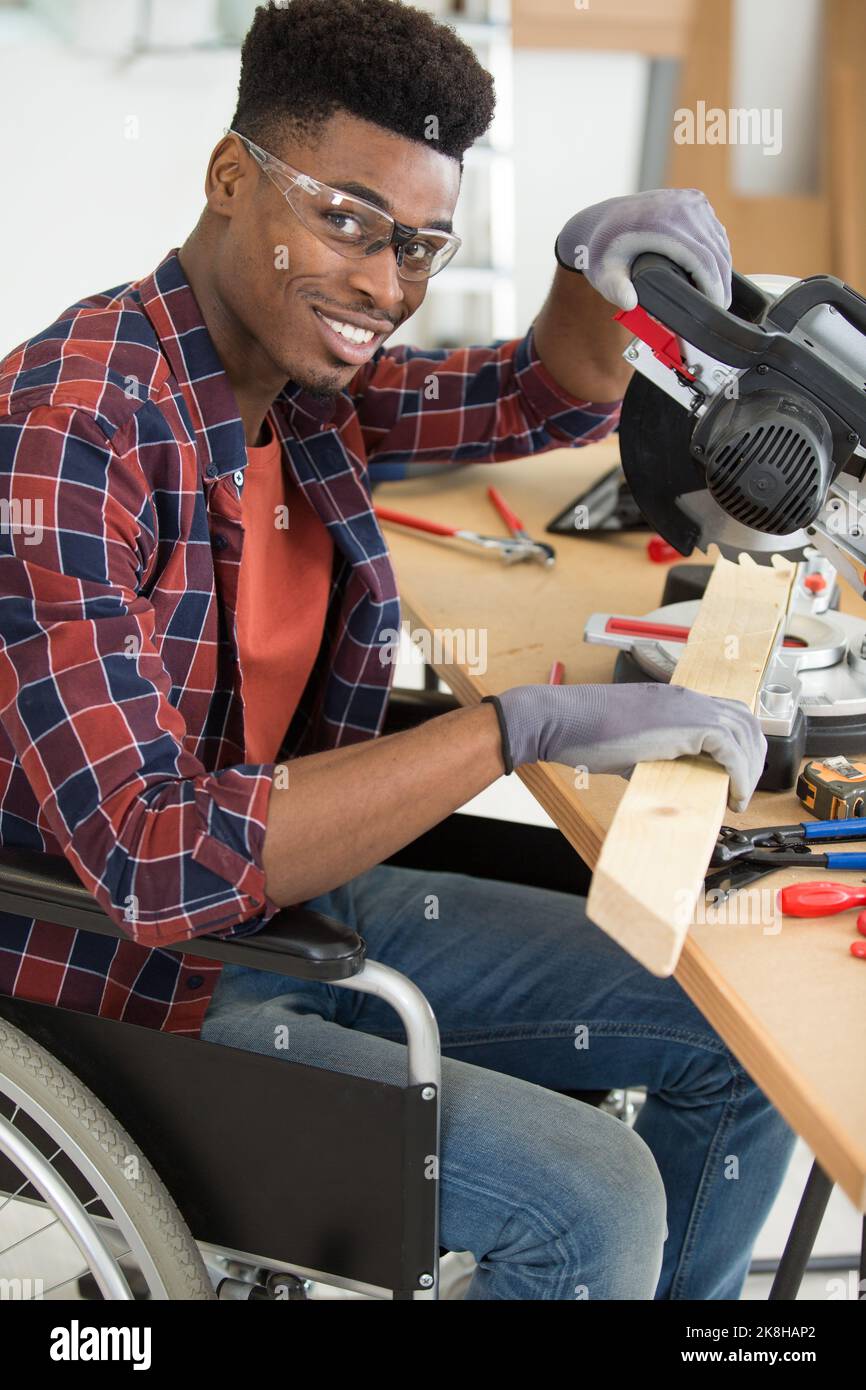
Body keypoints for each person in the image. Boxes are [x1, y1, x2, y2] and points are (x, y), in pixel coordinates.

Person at [0, 0, 794, 1299]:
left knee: (732, 1025)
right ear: (228, 177)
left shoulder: (303, 390)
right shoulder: (70, 436)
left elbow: (543, 388)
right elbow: (157, 861)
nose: (385, 283)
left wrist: (601, 275)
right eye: (349, 221)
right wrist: (506, 732)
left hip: (293, 903)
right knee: (592, 1198)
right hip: (130, 989)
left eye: (422, 243)